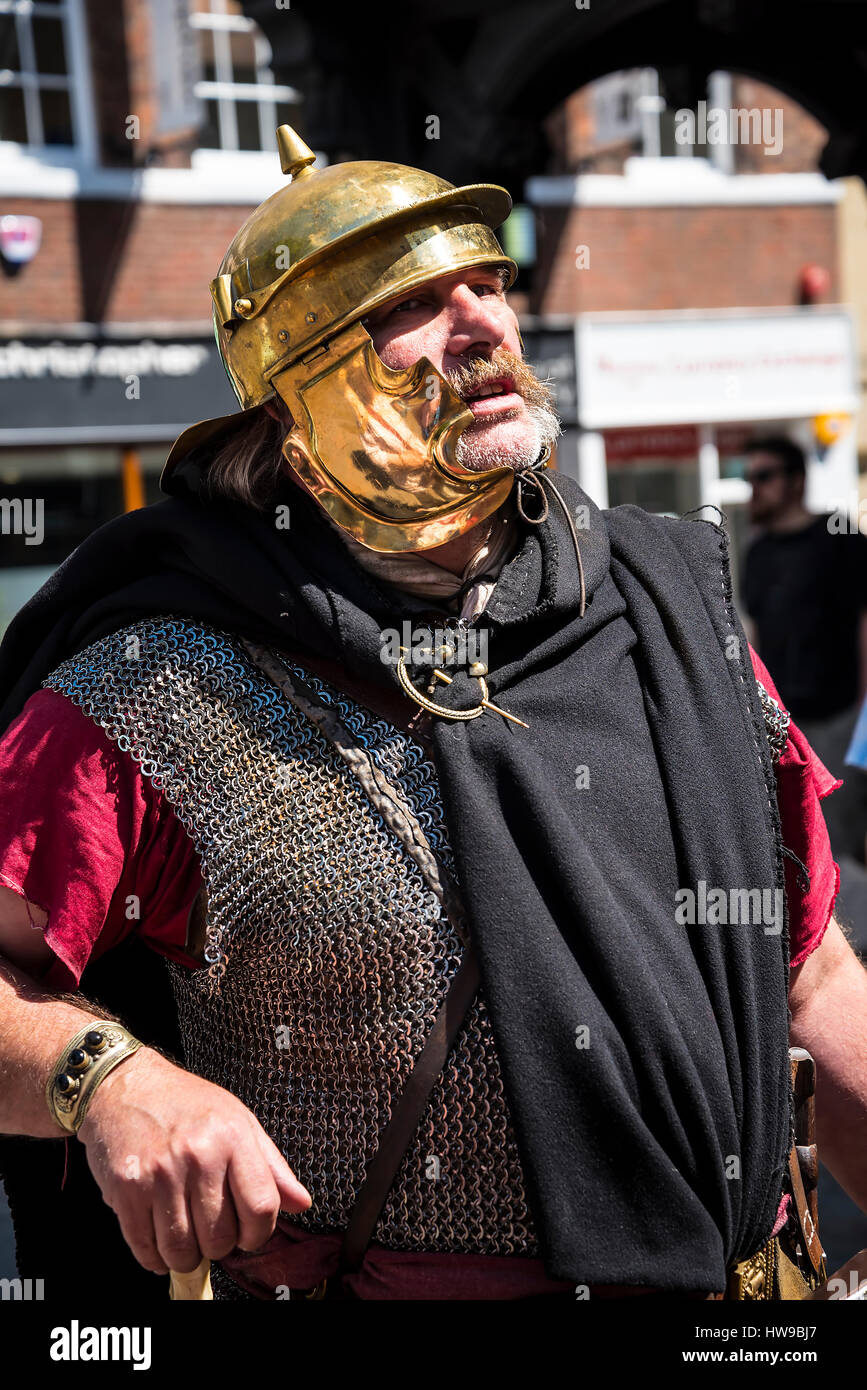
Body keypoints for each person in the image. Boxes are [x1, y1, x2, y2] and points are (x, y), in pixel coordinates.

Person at [0, 128, 866, 1303]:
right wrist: (106, 1077)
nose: (484, 324)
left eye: (490, 281)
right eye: (410, 301)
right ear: (293, 412)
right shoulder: (159, 684)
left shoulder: (672, 610)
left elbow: (810, 967)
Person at [741, 435, 867, 862]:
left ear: (796, 481)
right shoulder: (756, 554)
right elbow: (754, 638)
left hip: (840, 720)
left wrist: (861, 716)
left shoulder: (841, 538)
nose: (752, 487)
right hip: (784, 727)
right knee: (795, 848)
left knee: (839, 848)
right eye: (749, 477)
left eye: (764, 476)